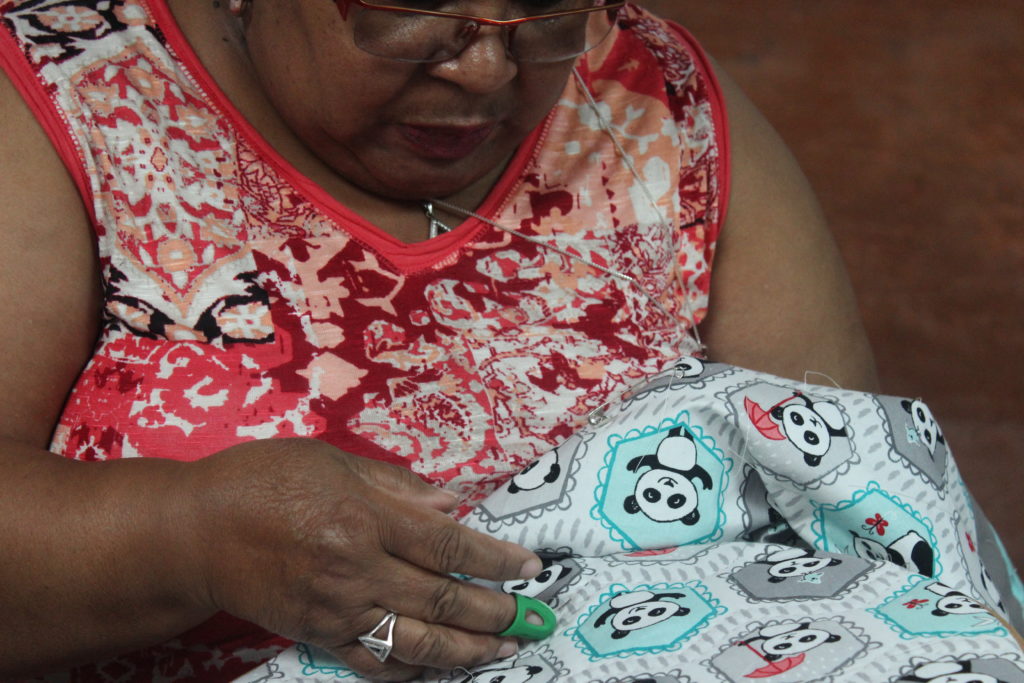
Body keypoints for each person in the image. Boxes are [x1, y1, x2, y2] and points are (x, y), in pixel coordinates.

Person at [0, 0, 877, 680]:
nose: (485, 66)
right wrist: (194, 539)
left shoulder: (655, 106)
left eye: (544, 7)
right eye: (411, 5)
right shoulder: (69, 93)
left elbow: (855, 498)